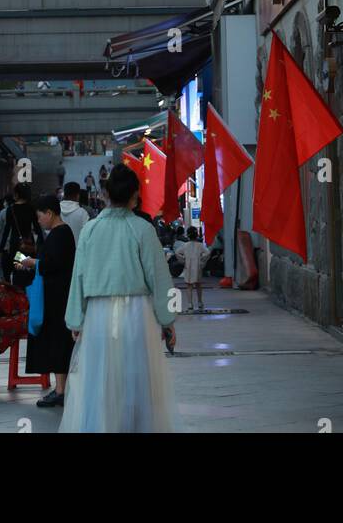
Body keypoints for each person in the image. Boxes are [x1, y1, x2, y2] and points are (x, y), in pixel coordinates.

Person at [60, 164, 179, 434]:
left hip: (98, 315)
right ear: (134, 195)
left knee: (100, 382)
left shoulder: (90, 230)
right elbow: (160, 278)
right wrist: (168, 319)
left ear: (106, 195)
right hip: (137, 314)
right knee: (138, 381)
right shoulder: (142, 229)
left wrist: (74, 319)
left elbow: (78, 275)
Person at [17, 193, 76, 407]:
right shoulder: (58, 233)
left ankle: (60, 390)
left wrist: (33, 262)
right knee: (56, 342)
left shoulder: (61, 234)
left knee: (58, 342)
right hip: (53, 295)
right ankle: (60, 388)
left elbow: (54, 264)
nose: (39, 220)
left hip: (57, 297)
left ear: (50, 213)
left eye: (40, 216)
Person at [0, 183, 41, 288]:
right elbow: (37, 227)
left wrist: (1, 248)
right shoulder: (31, 208)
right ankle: (25, 294)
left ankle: (15, 294)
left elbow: (7, 230)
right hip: (27, 244)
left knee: (14, 270)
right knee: (25, 271)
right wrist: (42, 243)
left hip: (15, 244)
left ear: (16, 194)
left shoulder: (11, 209)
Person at [172, 227, 210, 312]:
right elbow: (207, 253)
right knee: (198, 285)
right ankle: (200, 302)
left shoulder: (185, 245)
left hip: (188, 266)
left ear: (188, 235)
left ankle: (190, 303)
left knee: (189, 285)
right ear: (196, 235)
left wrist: (183, 260)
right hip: (197, 267)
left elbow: (177, 252)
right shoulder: (200, 245)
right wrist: (201, 260)